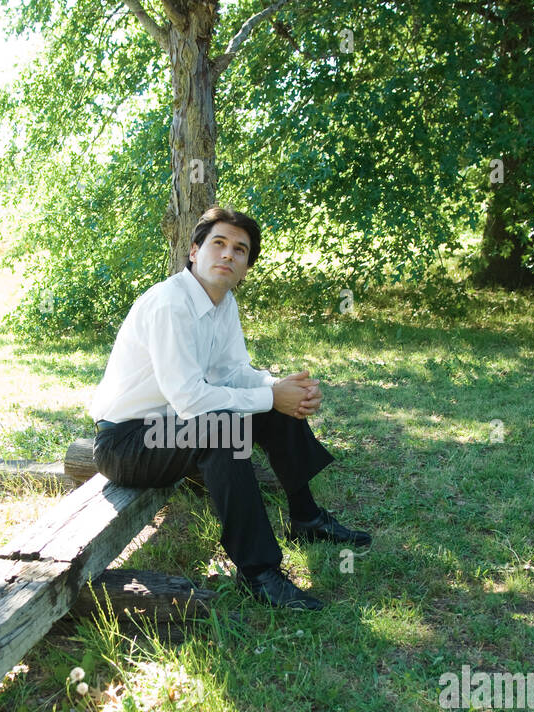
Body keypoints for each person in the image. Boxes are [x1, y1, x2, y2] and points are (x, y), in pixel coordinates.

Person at [89, 206, 371, 611]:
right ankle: (258, 573)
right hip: (127, 441)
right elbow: (190, 400)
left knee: (272, 407)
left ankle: (306, 519)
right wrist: (271, 395)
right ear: (193, 251)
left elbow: (234, 372)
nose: (227, 255)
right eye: (218, 243)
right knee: (224, 428)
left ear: (245, 267)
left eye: (240, 250)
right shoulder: (171, 304)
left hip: (172, 428)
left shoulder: (223, 304)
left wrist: (281, 389)